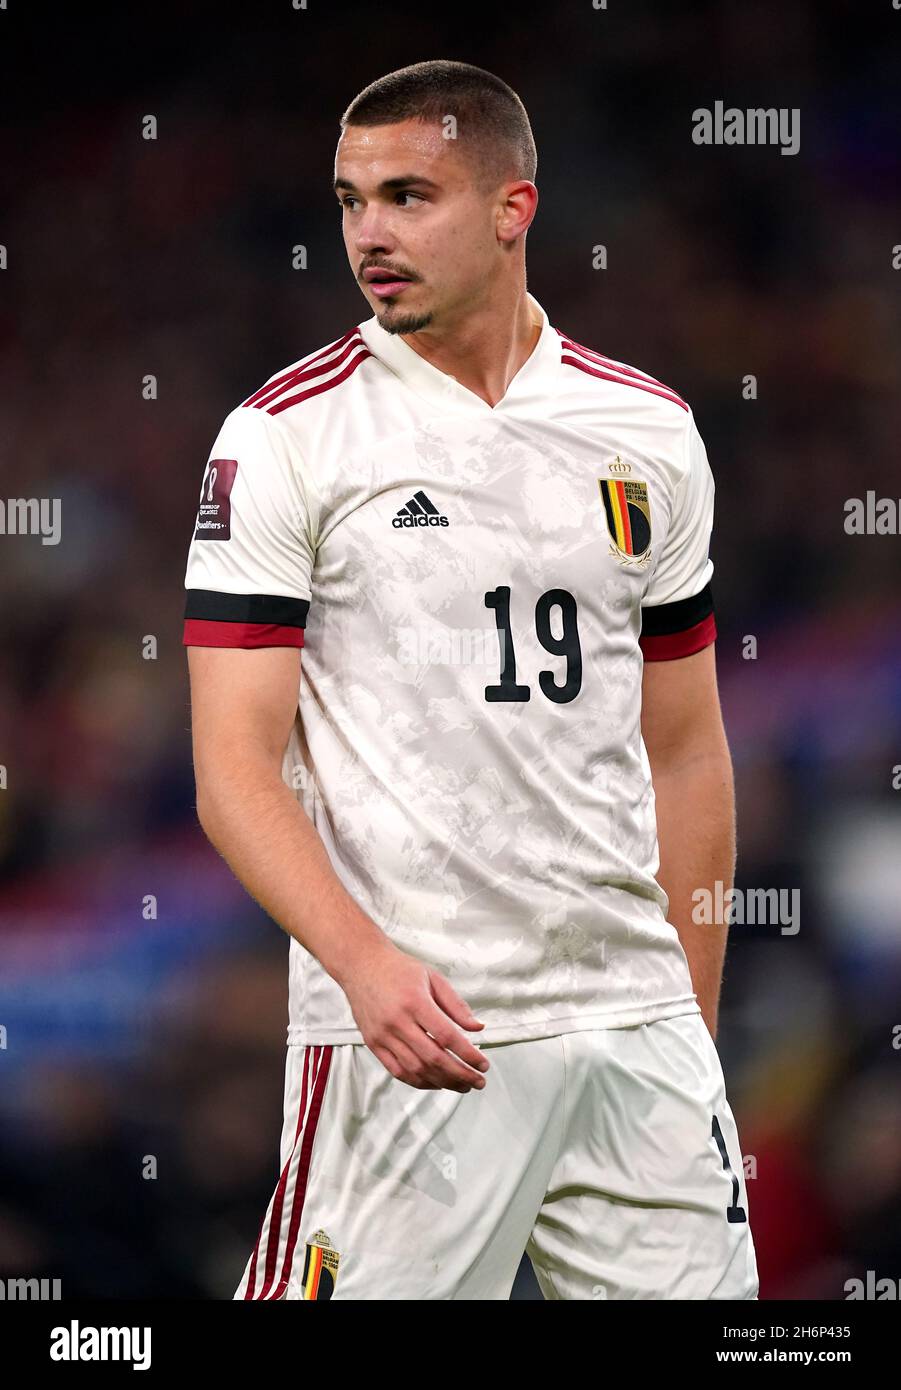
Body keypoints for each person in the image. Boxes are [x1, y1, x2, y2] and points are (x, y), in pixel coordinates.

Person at [183, 59, 758, 1301]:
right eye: (348, 201)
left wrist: (684, 1023)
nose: (368, 235)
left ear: (514, 209)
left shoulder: (649, 431)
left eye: (406, 195)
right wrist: (364, 967)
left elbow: (687, 749)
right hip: (420, 1031)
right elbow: (233, 768)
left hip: (633, 1031)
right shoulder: (286, 438)